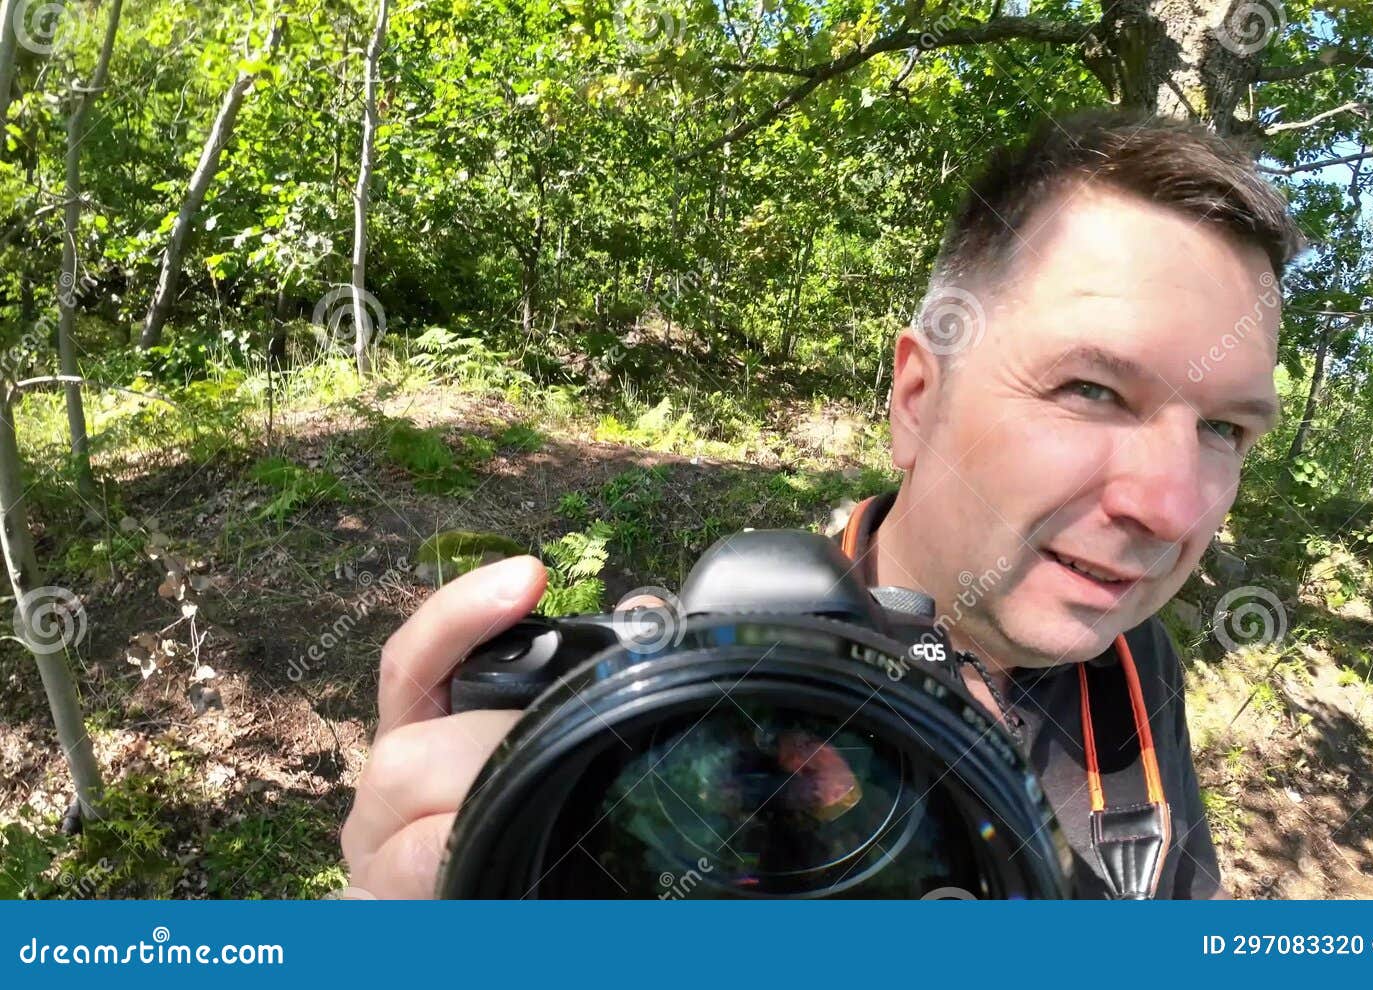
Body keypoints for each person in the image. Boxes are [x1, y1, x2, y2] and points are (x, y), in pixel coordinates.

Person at [340, 109, 1305, 899]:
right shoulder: (691, 727)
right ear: (918, 400)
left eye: (1225, 430)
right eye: (1092, 390)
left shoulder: (1135, 671)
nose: (1174, 510)